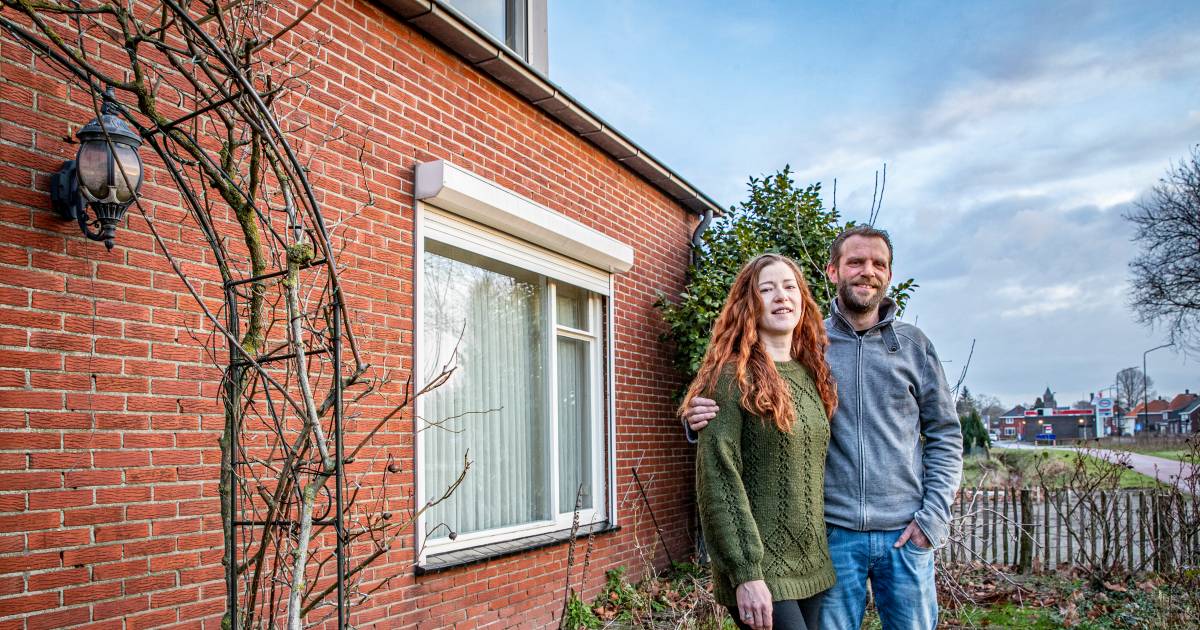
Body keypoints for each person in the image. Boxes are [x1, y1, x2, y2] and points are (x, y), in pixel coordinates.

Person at [685, 227, 962, 630]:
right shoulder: (813, 345)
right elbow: (745, 408)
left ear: (888, 274)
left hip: (904, 535)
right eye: (855, 262)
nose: (867, 272)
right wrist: (698, 421)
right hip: (834, 537)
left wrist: (932, 520)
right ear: (833, 271)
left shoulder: (912, 345)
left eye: (878, 264)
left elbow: (946, 435)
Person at [687, 253, 839, 630]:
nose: (781, 297)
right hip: (761, 570)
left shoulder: (811, 375)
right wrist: (745, 573)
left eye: (790, 287)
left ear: (803, 299)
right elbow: (718, 479)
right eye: (766, 289)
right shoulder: (730, 378)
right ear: (748, 304)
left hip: (813, 564)